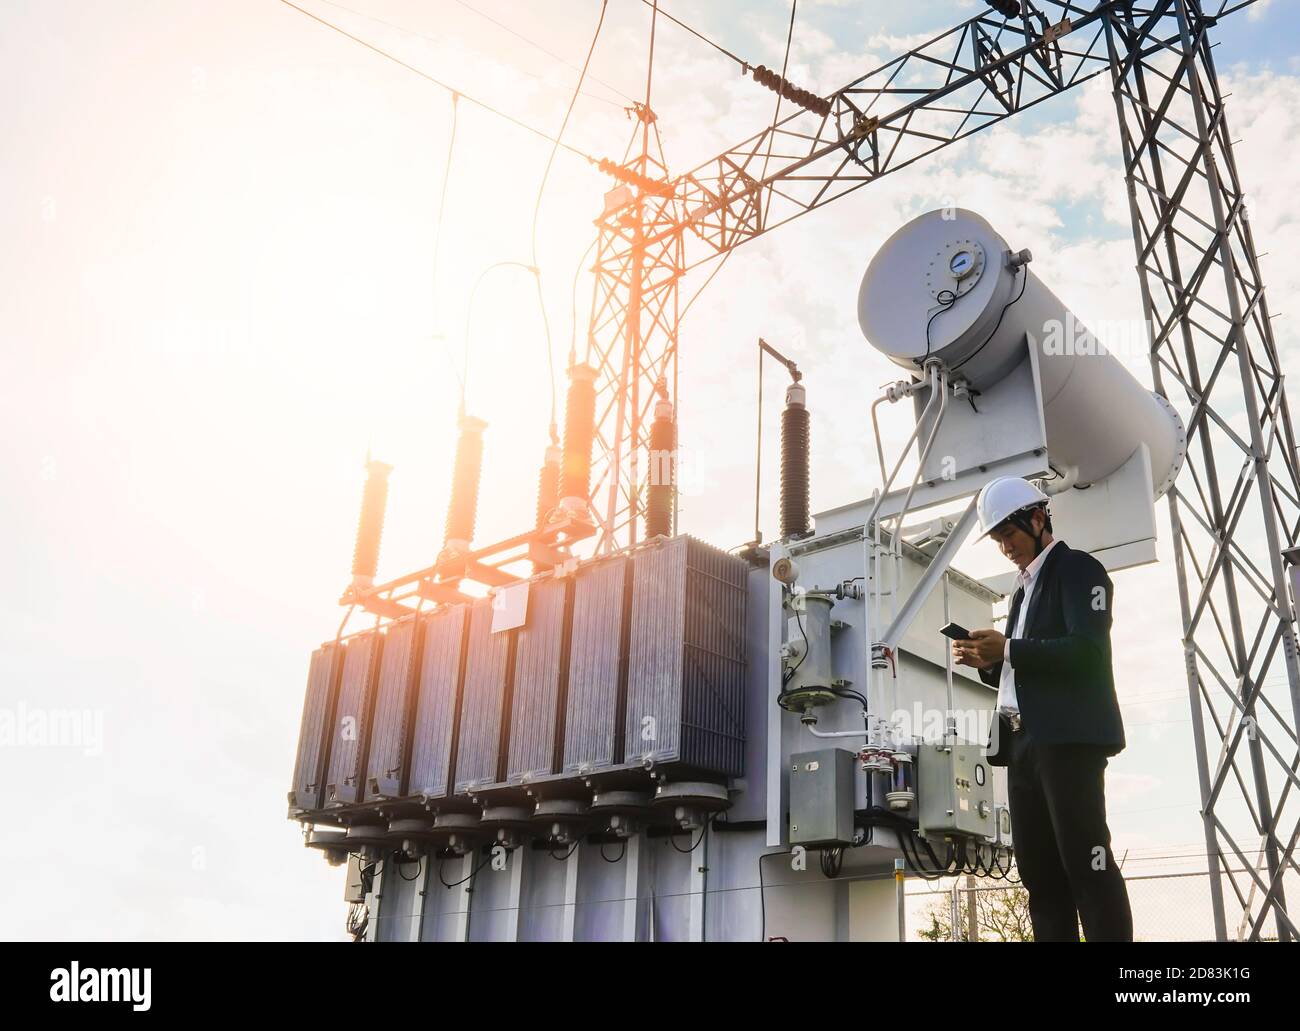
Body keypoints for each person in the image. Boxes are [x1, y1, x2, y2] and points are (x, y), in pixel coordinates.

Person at [953, 476, 1134, 942]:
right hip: (1020, 744)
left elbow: (1087, 653)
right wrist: (988, 661)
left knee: (1087, 865)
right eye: (998, 541)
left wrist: (1009, 648)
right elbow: (1026, 667)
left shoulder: (1080, 570)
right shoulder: (1021, 592)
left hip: (1067, 741)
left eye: (1009, 536)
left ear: (1037, 519)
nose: (1005, 548)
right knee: (1039, 878)